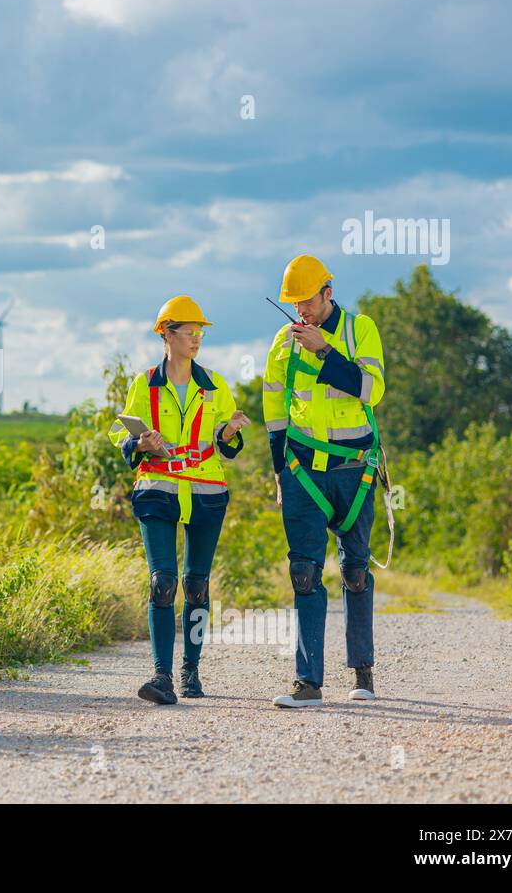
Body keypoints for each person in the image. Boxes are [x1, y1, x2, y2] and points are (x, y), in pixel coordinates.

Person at [109, 296, 250, 705]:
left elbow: (227, 440)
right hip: (157, 489)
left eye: (200, 331)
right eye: (190, 331)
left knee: (196, 585)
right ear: (166, 334)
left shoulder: (216, 385)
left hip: (206, 491)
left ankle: (191, 672)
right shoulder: (143, 384)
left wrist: (228, 433)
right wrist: (140, 442)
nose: (197, 338)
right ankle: (161, 677)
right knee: (162, 582)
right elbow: (120, 434)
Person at [261, 254, 386, 708]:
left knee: (355, 570)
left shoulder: (361, 329)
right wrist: (279, 472)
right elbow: (274, 413)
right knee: (304, 571)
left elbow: (373, 390)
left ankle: (363, 674)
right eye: (294, 304)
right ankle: (307, 682)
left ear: (327, 294)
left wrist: (325, 351)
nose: (302, 312)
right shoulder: (281, 343)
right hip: (302, 471)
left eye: (308, 302)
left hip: (355, 469)